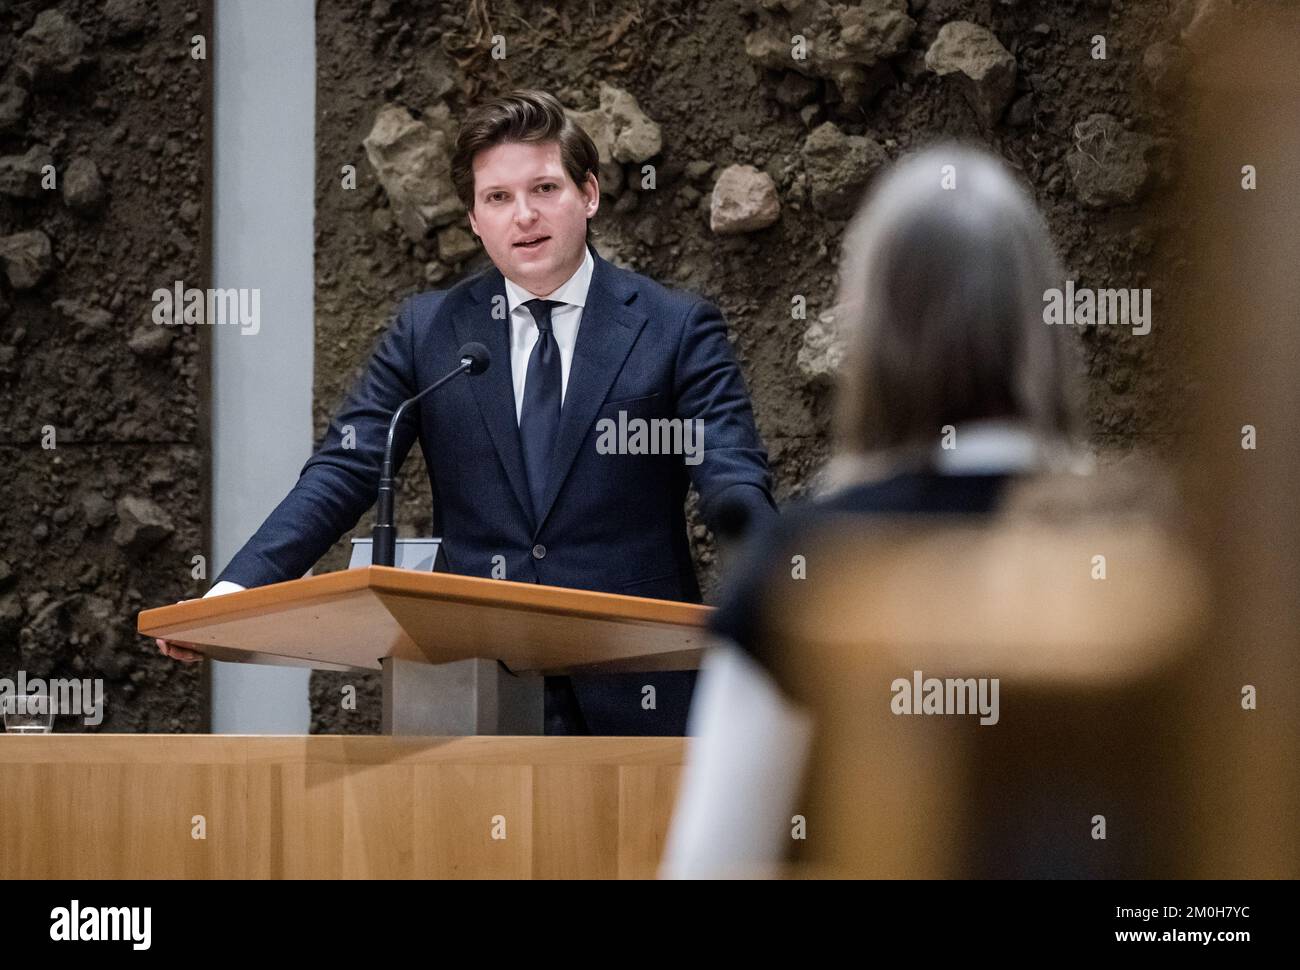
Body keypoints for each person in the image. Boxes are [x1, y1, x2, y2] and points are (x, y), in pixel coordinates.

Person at [158, 89, 777, 737]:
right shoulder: (430, 332)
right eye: (498, 198)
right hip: (477, 686)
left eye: (544, 188)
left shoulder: (675, 327)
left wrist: (774, 585)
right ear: (475, 218)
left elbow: (731, 477)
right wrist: (233, 593)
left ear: (588, 194)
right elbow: (344, 469)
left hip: (639, 684)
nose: (524, 217)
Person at [660, 144, 1087, 876]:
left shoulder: (803, 568)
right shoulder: (1157, 552)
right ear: (1040, 320)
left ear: (879, 332)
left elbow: (713, 865)